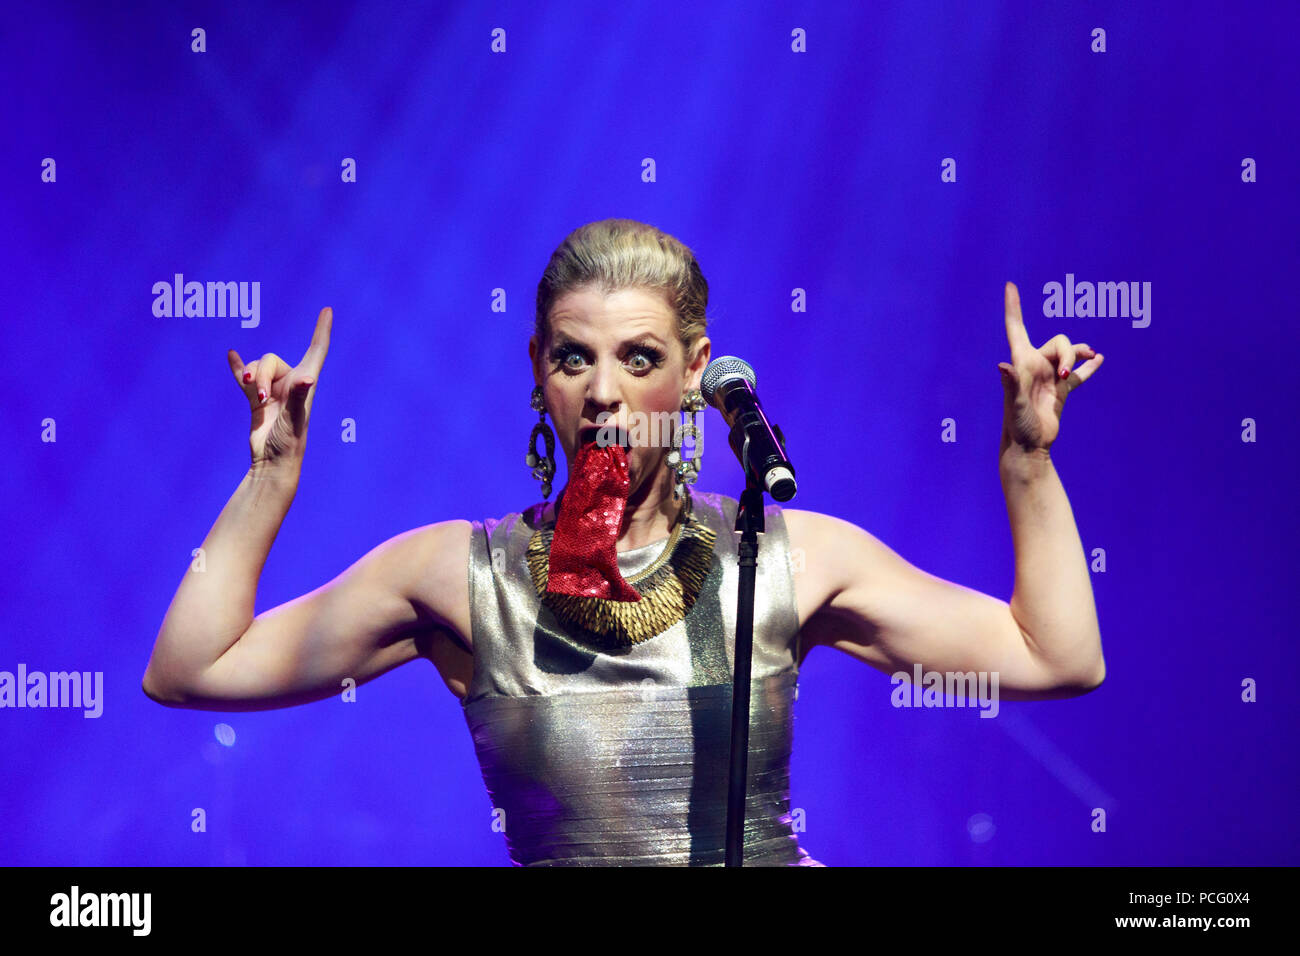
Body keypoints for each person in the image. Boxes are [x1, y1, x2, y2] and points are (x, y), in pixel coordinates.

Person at [142, 218, 1107, 866]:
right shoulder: (456, 575)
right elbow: (192, 669)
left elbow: (1055, 657)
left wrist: (1028, 462)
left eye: (638, 359)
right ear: (539, 373)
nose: (604, 392)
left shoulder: (781, 556)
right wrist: (272, 478)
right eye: (574, 357)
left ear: (694, 375)